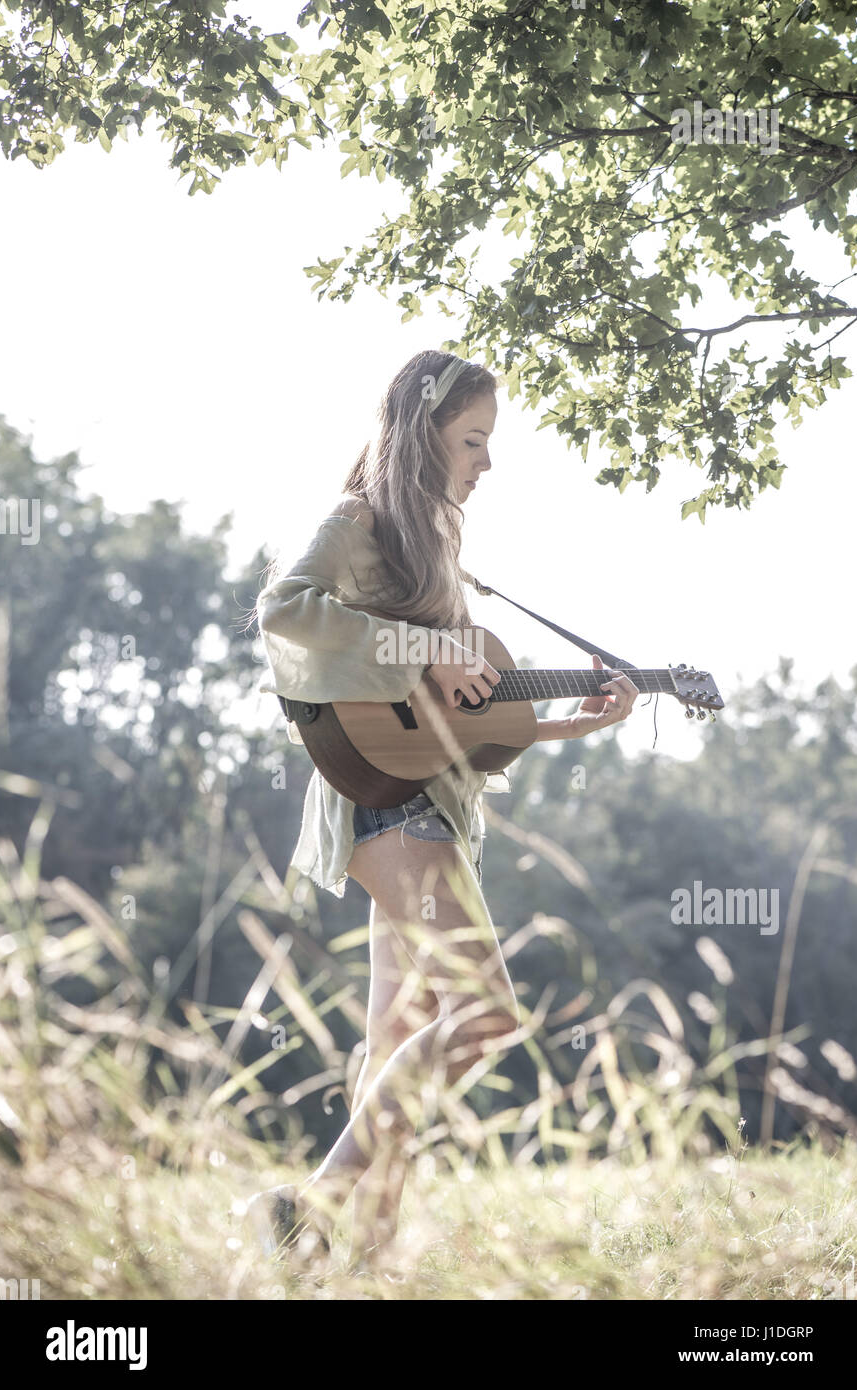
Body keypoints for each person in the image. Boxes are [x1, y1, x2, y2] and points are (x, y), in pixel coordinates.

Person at [246, 349, 639, 1267]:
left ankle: (359, 1257)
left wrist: (578, 722)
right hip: (385, 810)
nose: (487, 462)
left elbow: (460, 732)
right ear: (421, 434)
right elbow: (282, 609)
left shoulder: (432, 548)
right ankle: (311, 1202)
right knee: (487, 1014)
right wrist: (417, 652)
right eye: (473, 440)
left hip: (425, 802)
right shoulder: (355, 522)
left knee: (393, 1036)